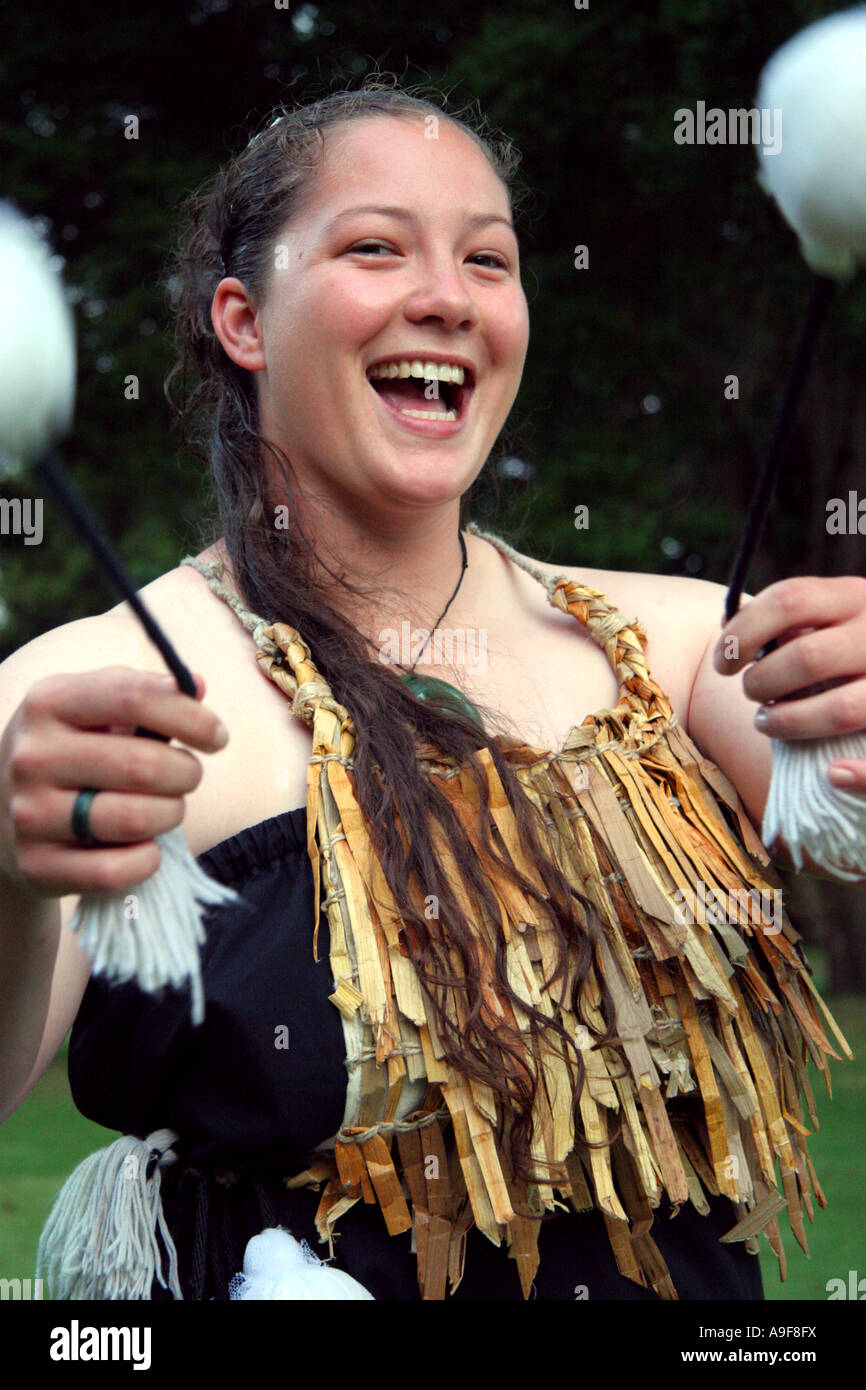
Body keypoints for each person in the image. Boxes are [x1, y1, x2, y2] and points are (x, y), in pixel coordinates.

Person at [1, 82, 864, 1302]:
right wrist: (8, 874)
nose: (447, 298)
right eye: (374, 248)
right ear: (242, 320)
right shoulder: (92, 691)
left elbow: (848, 822)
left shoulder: (677, 645)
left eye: (487, 259)